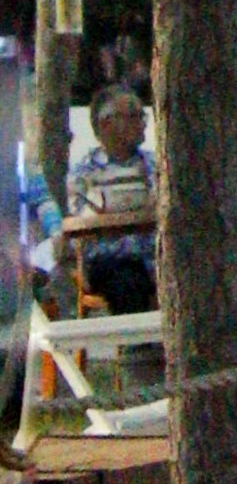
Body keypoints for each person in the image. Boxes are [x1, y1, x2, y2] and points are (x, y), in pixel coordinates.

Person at [70, 87, 155, 314]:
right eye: (135, 116)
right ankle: (137, 347)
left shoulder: (154, 165)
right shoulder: (86, 174)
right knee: (128, 282)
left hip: (156, 257)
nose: (143, 123)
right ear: (107, 124)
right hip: (111, 260)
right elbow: (78, 225)